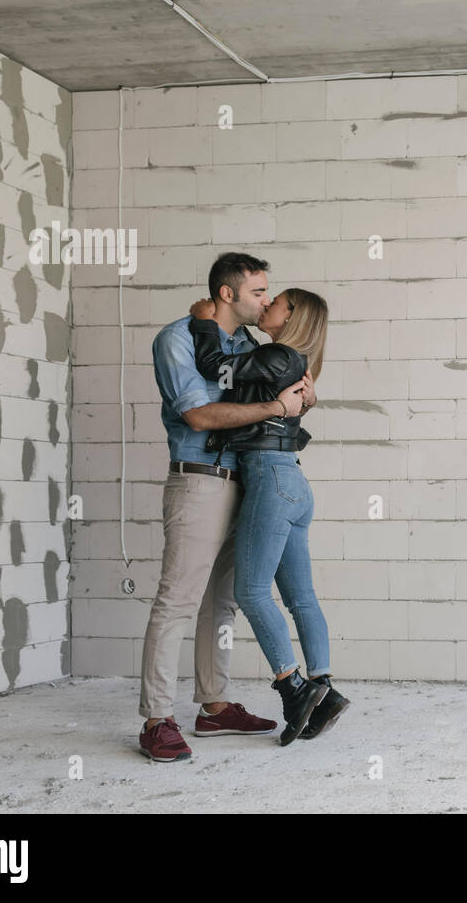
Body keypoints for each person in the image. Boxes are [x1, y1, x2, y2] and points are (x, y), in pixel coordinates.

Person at [138, 253, 312, 762]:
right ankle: (156, 719)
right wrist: (279, 407)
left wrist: (303, 392)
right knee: (178, 601)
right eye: (260, 292)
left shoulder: (249, 345)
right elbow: (197, 414)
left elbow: (280, 394)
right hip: (201, 482)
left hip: (249, 482)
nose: (267, 301)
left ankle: (213, 707)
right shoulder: (177, 338)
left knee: (223, 602)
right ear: (228, 294)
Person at [188, 287, 348, 745]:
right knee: (301, 598)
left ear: (291, 313)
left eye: (273, 300)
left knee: (251, 591)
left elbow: (216, 370)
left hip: (271, 479)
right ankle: (324, 688)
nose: (265, 305)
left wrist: (203, 322)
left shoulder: (280, 355)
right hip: (293, 484)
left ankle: (292, 688)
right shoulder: (288, 359)